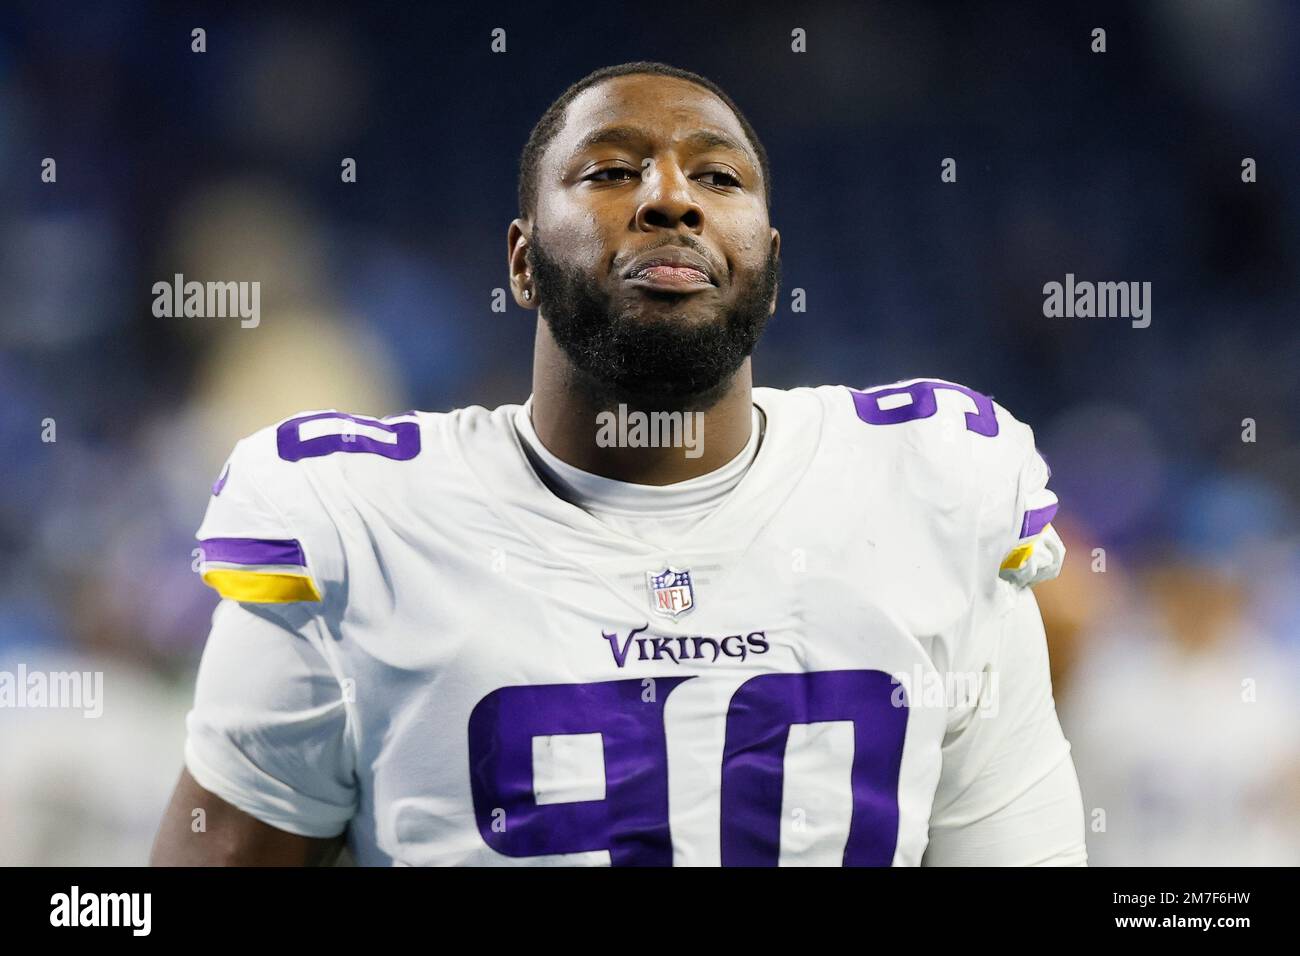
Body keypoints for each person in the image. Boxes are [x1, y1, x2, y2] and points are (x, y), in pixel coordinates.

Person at [151, 61, 1084, 866]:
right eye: (610, 169)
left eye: (718, 177)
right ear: (521, 261)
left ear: (769, 259)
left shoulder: (931, 493)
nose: (671, 197)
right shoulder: (360, 528)